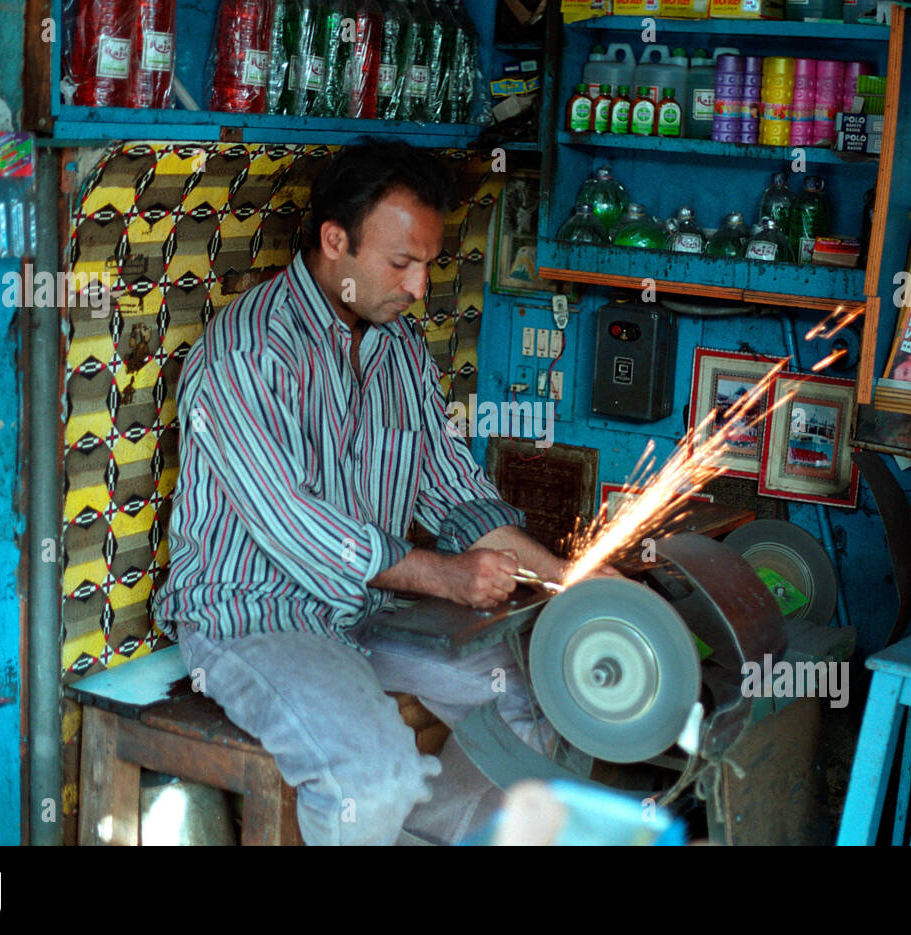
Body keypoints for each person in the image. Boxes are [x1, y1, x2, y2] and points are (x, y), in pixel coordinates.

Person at [154, 140, 603, 846]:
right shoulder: (246, 352)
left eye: (427, 263)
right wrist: (445, 576)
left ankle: (435, 835)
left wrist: (574, 581)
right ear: (336, 240)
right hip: (255, 616)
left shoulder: (398, 350)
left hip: (366, 610)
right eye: (401, 263)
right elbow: (295, 525)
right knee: (373, 775)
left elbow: (460, 498)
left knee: (545, 696)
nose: (420, 286)